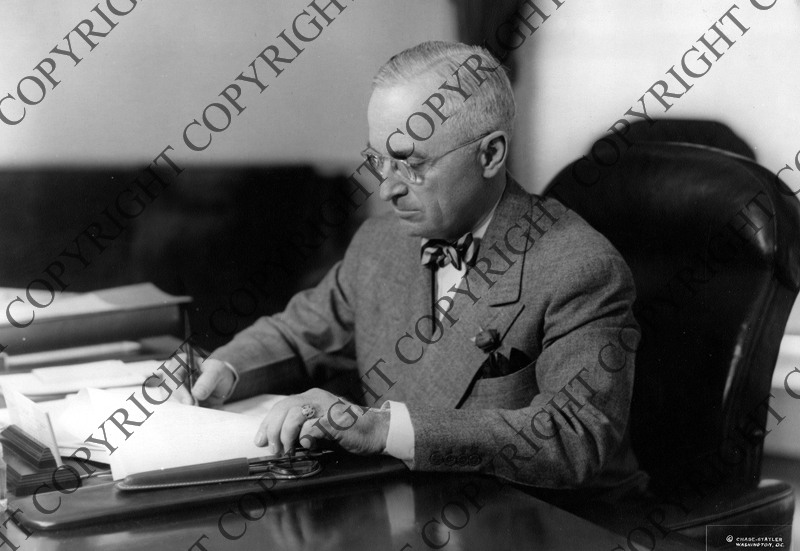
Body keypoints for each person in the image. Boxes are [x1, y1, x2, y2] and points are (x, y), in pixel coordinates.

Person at [175, 41, 648, 496]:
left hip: (556, 523)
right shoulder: (381, 243)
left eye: (411, 163)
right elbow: (302, 332)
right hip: (421, 506)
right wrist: (223, 369)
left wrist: (381, 427)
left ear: (490, 154)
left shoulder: (581, 266)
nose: (386, 190)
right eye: (378, 160)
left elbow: (574, 436)